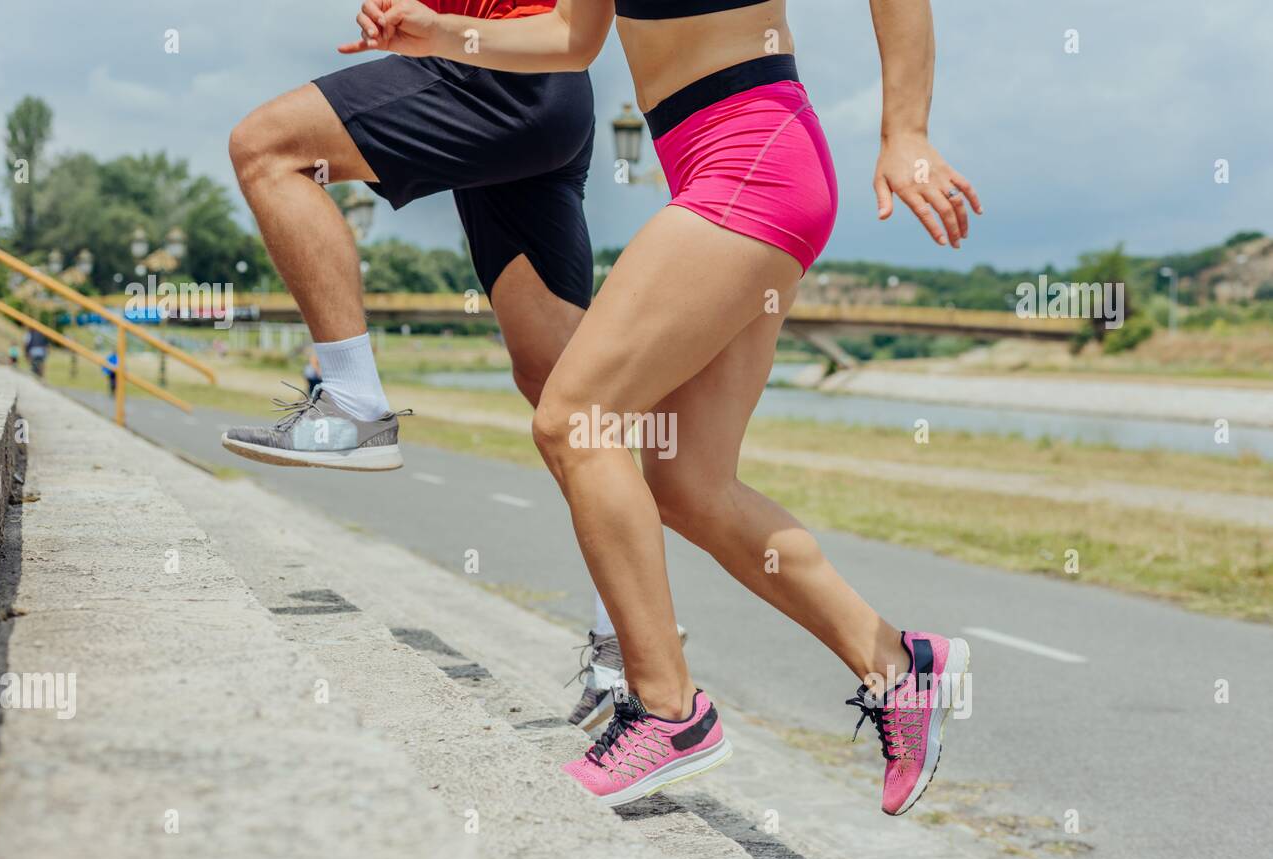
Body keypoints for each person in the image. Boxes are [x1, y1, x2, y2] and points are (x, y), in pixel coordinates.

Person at [350, 0, 981, 814]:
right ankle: (898, 665)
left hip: (755, 152)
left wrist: (904, 131)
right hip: (722, 166)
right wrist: (438, 34)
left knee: (575, 418)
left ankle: (669, 710)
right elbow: (574, 39)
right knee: (688, 482)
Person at [217, 0, 670, 731]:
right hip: (541, 96)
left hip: (501, 82)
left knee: (266, 147)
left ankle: (355, 402)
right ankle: (630, 650)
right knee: (563, 390)